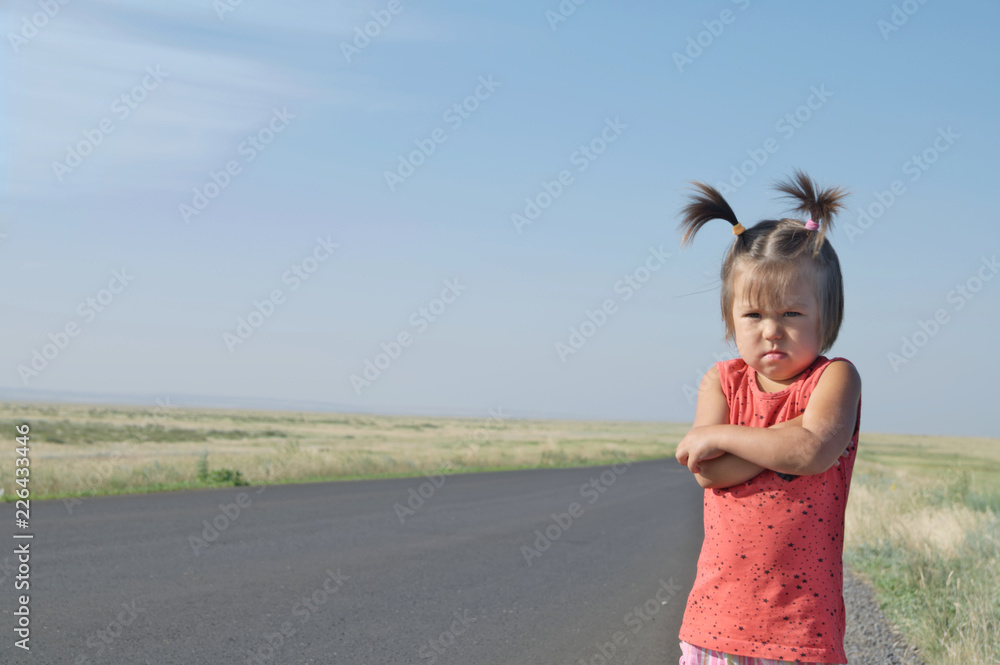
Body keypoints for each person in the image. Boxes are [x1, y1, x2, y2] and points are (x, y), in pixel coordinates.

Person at [673, 170, 863, 665]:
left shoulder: (834, 380)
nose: (772, 331)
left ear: (828, 315)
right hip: (716, 617)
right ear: (729, 318)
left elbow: (813, 451)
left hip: (800, 626)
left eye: (792, 315)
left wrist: (720, 435)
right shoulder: (722, 381)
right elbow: (707, 470)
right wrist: (786, 438)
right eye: (753, 316)